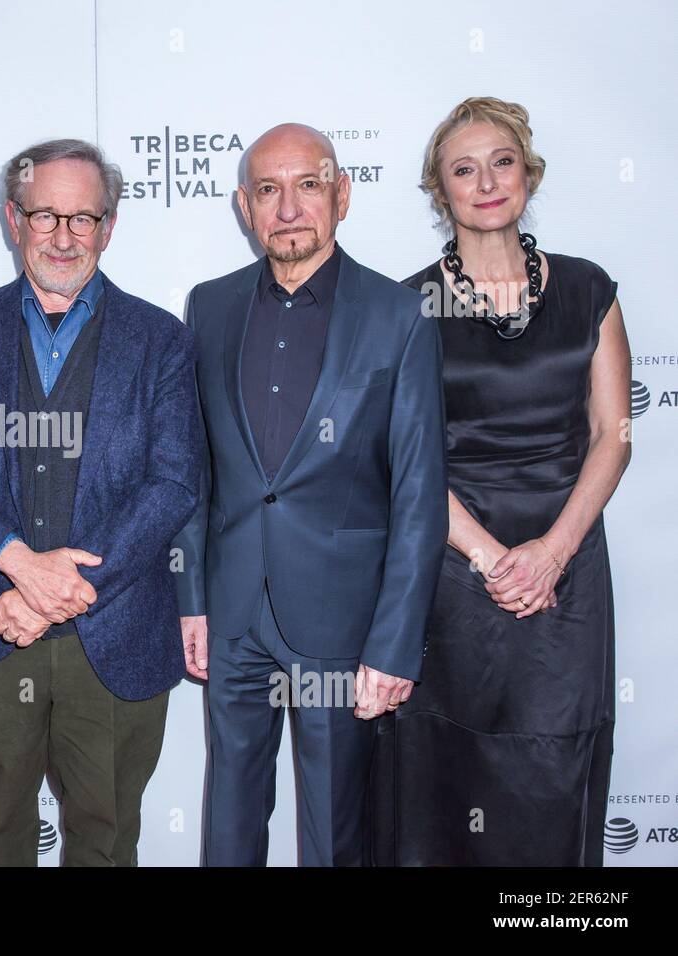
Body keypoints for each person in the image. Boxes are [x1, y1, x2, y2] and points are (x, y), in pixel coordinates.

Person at [0, 139, 203, 866]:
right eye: (45, 216)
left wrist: (54, 593)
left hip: (116, 632)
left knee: (105, 841)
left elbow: (173, 482)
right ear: (14, 219)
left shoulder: (161, 339)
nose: (64, 237)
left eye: (83, 218)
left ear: (110, 227)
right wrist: (17, 563)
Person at [173, 124, 448, 866]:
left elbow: (420, 494)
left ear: (342, 194)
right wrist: (192, 597)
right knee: (228, 829)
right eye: (269, 189)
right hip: (233, 616)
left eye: (308, 185)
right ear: (244, 205)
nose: (289, 207)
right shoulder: (211, 306)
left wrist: (394, 645)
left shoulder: (399, 315)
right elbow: (196, 468)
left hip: (341, 624)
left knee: (333, 834)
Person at [369, 97, 631, 866]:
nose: (486, 183)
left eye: (502, 162)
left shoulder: (588, 289)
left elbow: (612, 438)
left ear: (528, 173)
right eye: (464, 169)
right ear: (440, 190)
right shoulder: (405, 306)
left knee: (555, 767)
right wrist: (492, 560)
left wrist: (551, 553)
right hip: (454, 570)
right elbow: (404, 455)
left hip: (567, 570)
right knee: (446, 769)